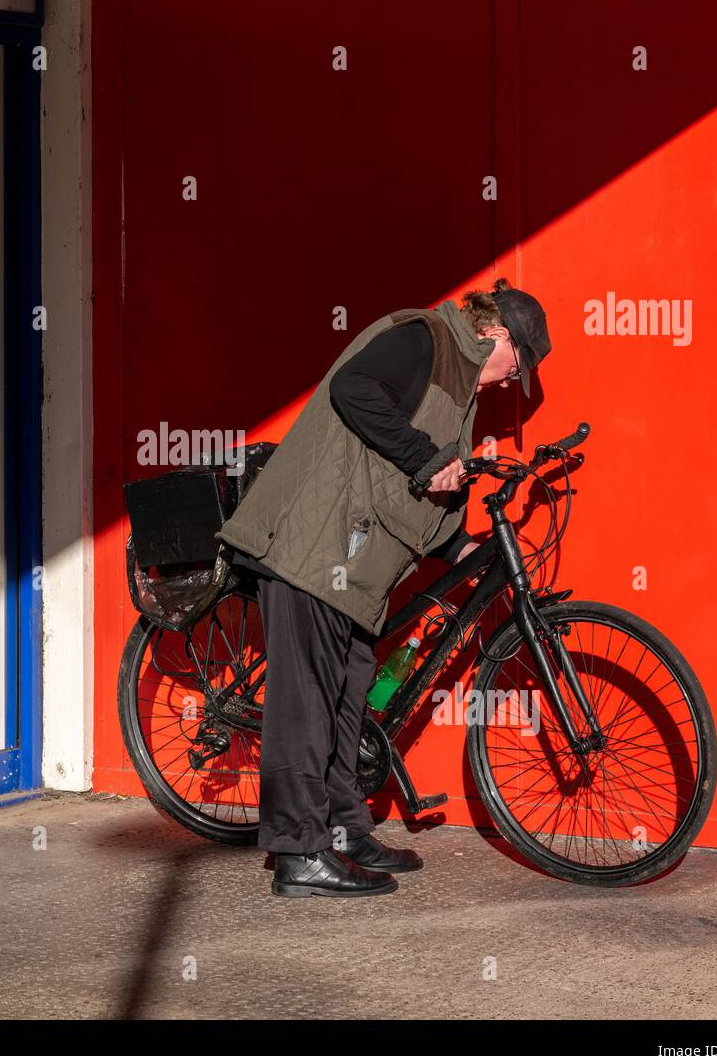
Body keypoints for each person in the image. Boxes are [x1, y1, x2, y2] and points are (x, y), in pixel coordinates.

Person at [216, 278, 552, 898]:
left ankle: (342, 828)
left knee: (347, 699)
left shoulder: (458, 382)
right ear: (497, 335)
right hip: (311, 548)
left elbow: (406, 492)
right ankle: (297, 853)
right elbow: (354, 389)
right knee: (306, 707)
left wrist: (459, 547)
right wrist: (425, 455)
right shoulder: (423, 338)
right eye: (517, 366)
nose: (512, 381)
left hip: (353, 570)